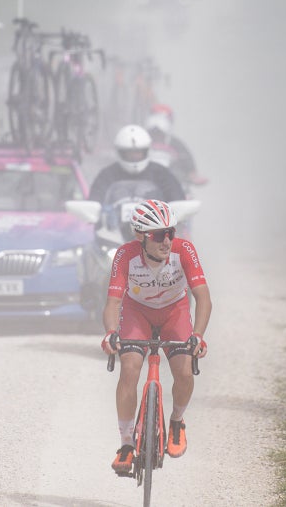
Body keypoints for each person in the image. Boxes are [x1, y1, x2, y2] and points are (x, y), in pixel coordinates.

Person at [101, 199, 211, 474]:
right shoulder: (125, 255)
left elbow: (203, 298)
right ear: (140, 236)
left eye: (171, 232)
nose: (167, 241)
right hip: (138, 313)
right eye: (159, 235)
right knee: (129, 369)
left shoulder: (184, 249)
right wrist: (111, 334)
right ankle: (126, 445)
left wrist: (198, 335)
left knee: (184, 372)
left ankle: (177, 422)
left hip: (174, 312)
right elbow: (113, 302)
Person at [88, 124, 186, 205]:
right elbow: (95, 201)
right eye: (129, 153)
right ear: (120, 152)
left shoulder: (161, 173)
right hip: (113, 227)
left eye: (138, 153)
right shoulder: (107, 174)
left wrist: (178, 209)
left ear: (146, 151)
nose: (134, 157)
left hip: (155, 226)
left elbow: (177, 199)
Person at [144, 105, 207, 188]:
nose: (157, 134)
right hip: (144, 187)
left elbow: (189, 164)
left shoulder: (176, 144)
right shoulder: (140, 141)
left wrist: (193, 176)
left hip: (173, 188)